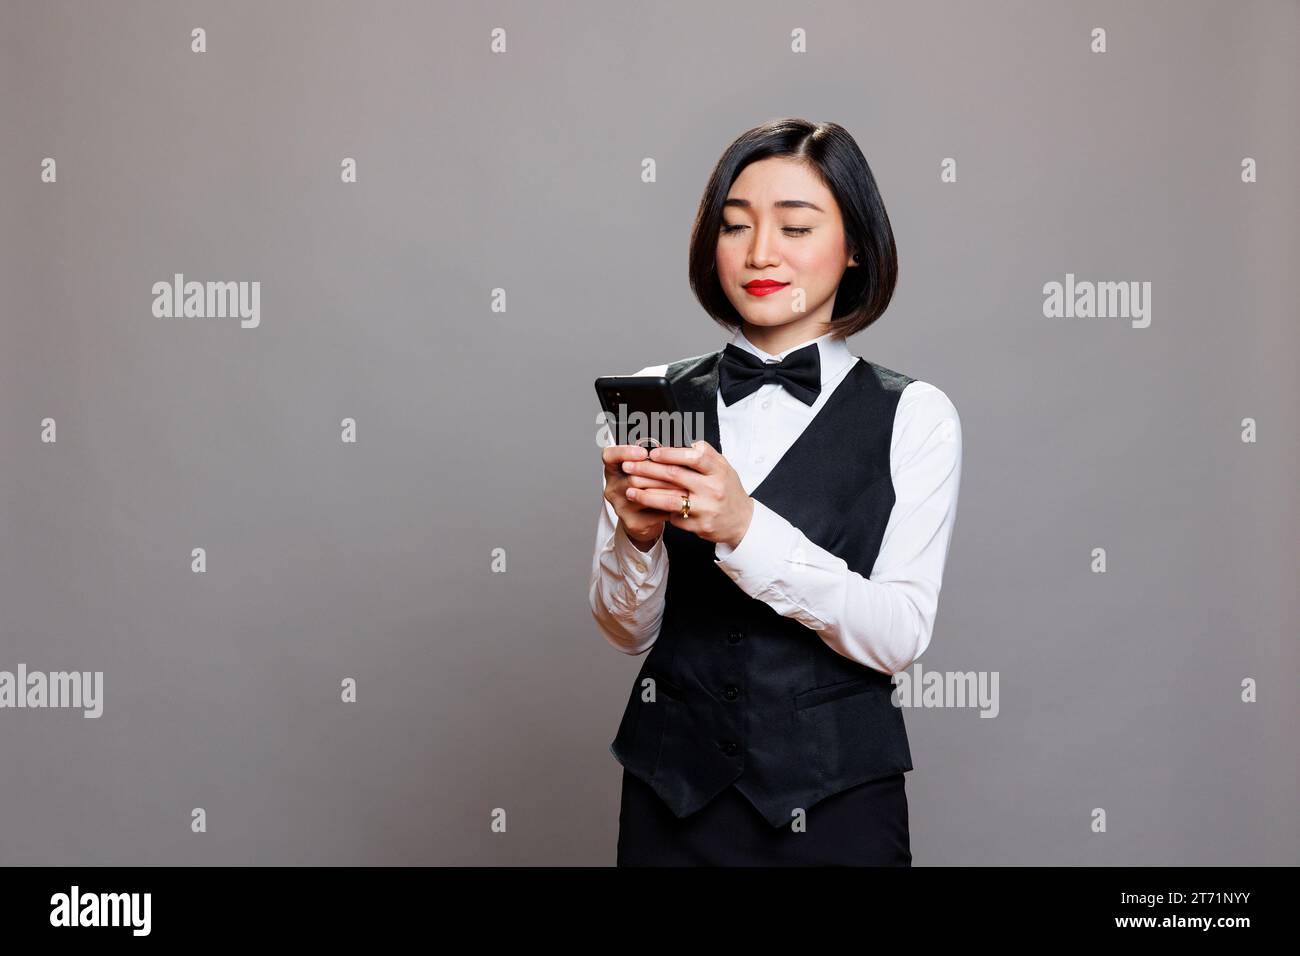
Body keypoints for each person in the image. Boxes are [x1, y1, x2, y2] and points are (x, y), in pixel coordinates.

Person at [589, 118, 962, 866]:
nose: (760, 253)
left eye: (795, 226)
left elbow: (899, 634)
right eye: (735, 227)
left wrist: (744, 526)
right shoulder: (656, 394)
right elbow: (626, 631)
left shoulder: (916, 414)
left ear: (855, 246)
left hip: (838, 805)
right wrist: (635, 539)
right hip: (672, 800)